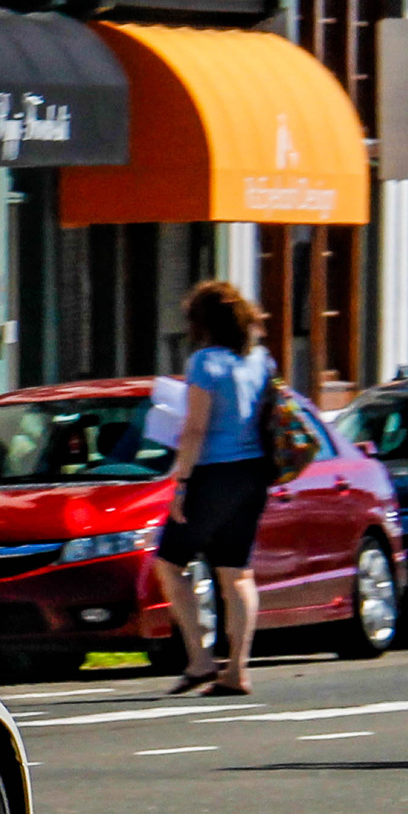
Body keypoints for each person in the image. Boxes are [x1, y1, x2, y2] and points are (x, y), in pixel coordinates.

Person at [154, 282, 273, 697]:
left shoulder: (205, 363)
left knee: (169, 563)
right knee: (237, 574)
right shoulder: (259, 359)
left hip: (213, 474)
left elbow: (196, 428)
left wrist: (181, 481)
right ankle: (237, 670)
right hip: (254, 472)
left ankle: (200, 658)